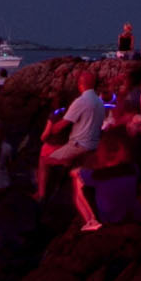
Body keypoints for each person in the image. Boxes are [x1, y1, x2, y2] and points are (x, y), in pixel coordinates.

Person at [32, 67, 104, 201]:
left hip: (78, 146)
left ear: (80, 84)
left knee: (44, 160)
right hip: (94, 144)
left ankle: (41, 195)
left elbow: (60, 127)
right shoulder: (99, 102)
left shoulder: (81, 101)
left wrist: (52, 124)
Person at [72, 126, 141, 231]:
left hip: (109, 221)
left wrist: (78, 171)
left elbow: (77, 174)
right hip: (133, 217)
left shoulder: (96, 176)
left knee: (78, 182)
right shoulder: (134, 168)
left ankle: (90, 220)